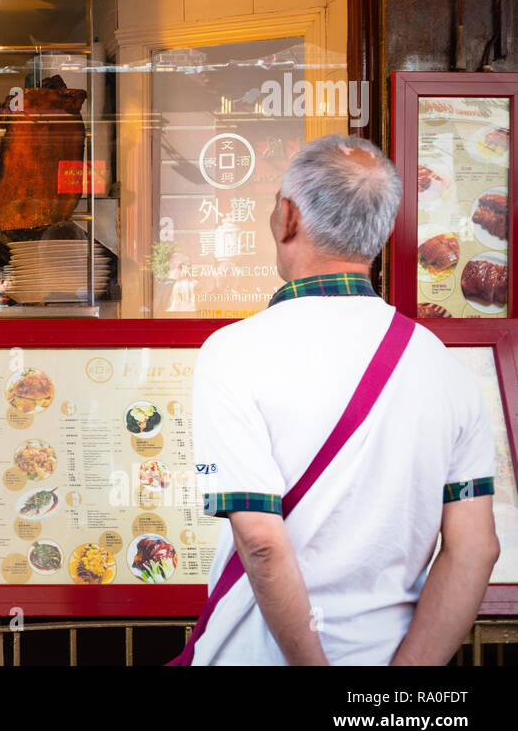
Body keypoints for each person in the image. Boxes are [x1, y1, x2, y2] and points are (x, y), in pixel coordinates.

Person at [190, 135, 500, 665]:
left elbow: (260, 540)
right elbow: (476, 548)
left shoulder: (233, 353)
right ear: (381, 231)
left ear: (285, 217)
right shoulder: (445, 367)